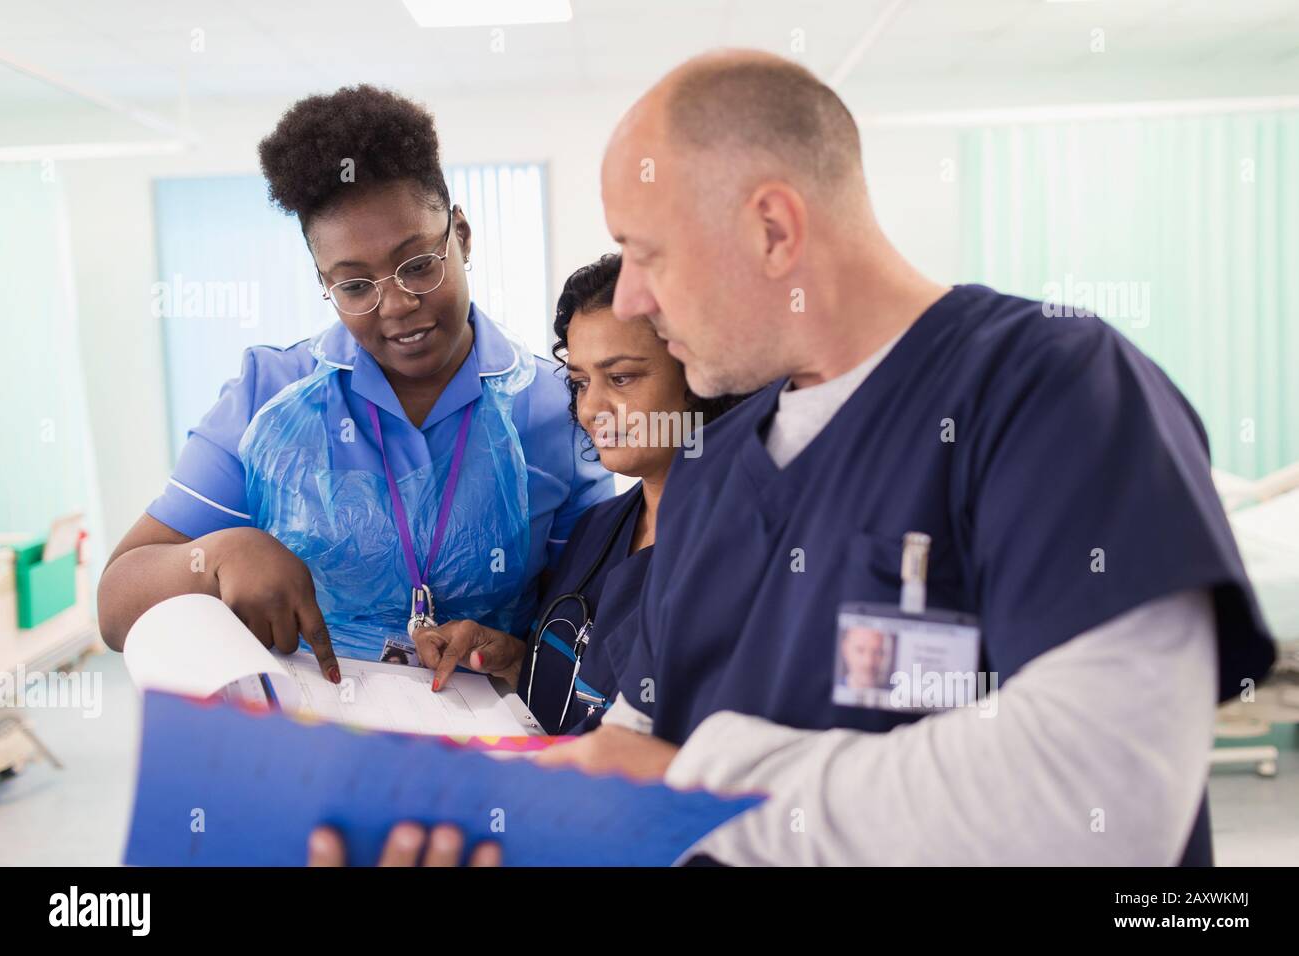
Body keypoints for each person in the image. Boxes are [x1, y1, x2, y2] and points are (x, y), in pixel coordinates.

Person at [531, 50, 1277, 866]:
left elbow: (1100, 796)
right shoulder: (710, 473)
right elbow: (633, 754)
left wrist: (710, 796)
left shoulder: (1053, 389)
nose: (632, 298)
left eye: (649, 254)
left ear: (772, 229)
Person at [98, 86, 612, 677]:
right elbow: (115, 606)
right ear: (323, 282)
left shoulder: (558, 402)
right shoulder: (269, 396)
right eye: (354, 285)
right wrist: (218, 554)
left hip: (486, 744)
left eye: (419, 264)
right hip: (314, 746)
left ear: (461, 237)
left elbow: (591, 620)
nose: (396, 305)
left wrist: (519, 655)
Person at [409, 253, 744, 732]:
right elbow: (585, 694)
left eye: (622, 378)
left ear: (699, 377)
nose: (592, 408)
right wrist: (512, 660)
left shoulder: (744, 551)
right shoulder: (598, 529)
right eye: (581, 382)